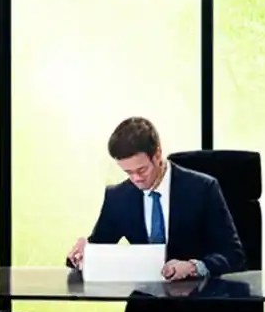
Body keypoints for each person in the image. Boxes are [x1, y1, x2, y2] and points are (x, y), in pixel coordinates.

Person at [66, 116, 246, 280]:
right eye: (128, 172)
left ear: (157, 154)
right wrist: (84, 253)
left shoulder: (203, 189)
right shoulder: (118, 197)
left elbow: (233, 254)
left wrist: (193, 267)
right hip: (147, 303)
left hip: (197, 297)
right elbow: (99, 250)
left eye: (142, 170)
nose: (136, 178)